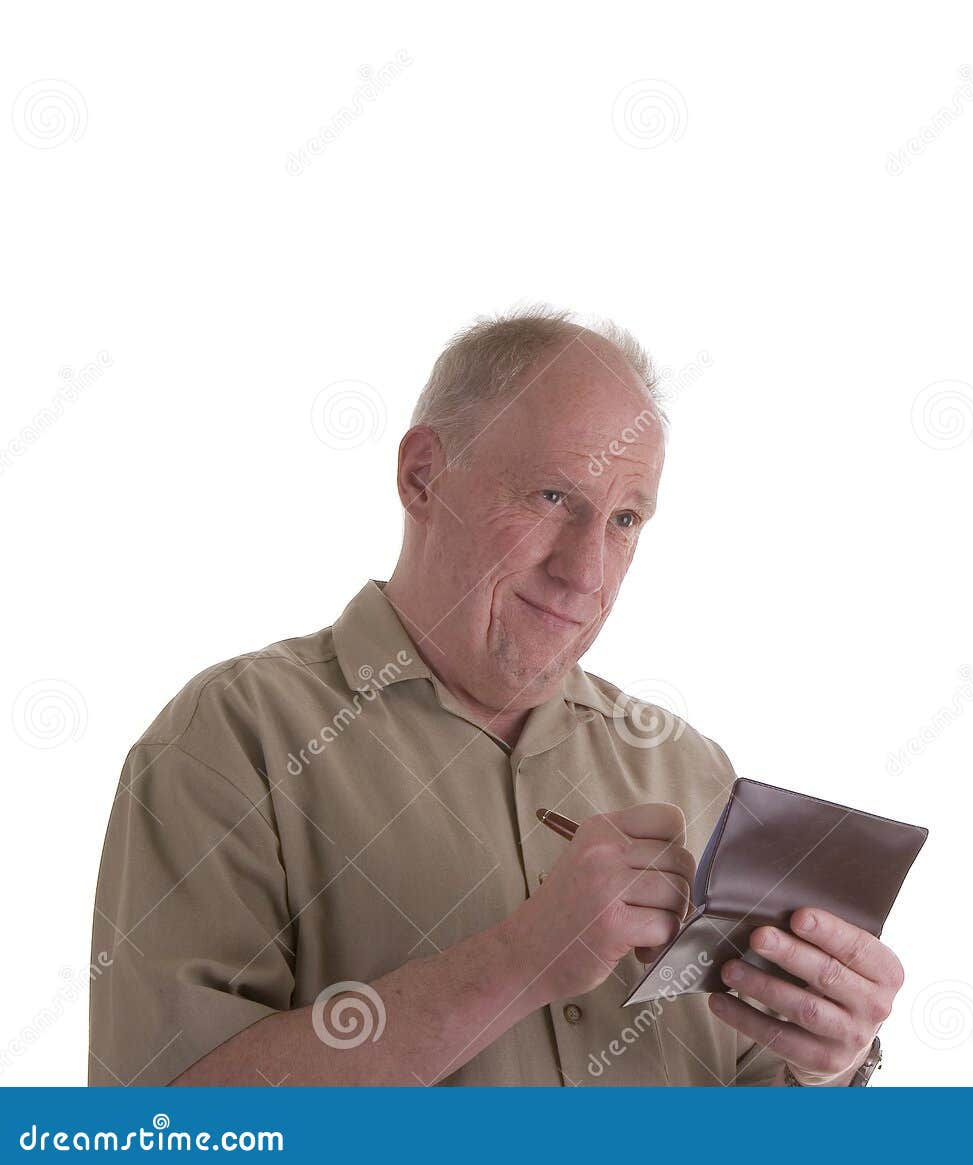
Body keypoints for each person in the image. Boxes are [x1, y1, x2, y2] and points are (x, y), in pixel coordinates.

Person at [88, 308, 901, 1086]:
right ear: (421, 477)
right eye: (553, 498)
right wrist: (523, 957)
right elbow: (159, 1130)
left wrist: (826, 1063)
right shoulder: (232, 740)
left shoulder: (692, 771)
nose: (586, 571)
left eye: (624, 520)